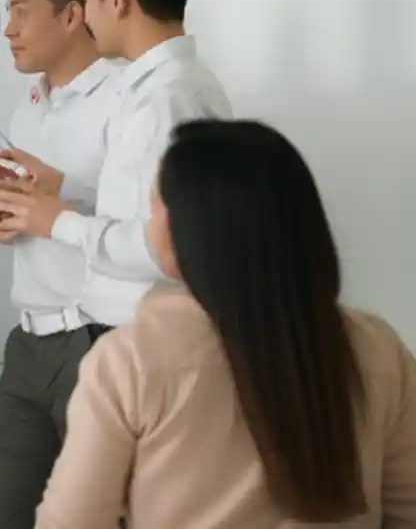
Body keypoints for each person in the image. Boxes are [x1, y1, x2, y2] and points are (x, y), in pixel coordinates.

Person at [36, 119, 416, 527]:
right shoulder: (377, 347)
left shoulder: (130, 362)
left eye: (155, 207)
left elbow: (71, 523)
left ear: (181, 230)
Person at [0, 0, 231, 330]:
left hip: (143, 335)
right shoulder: (160, 90)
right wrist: (59, 187)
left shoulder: (166, 101)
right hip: (130, 331)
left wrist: (60, 222)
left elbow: (170, 246)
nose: (85, 17)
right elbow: (142, 211)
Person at [0, 0, 122, 529]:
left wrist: (60, 201)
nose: (8, 30)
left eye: (20, 11)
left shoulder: (126, 100)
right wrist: (15, 220)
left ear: (72, 15)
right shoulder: (30, 105)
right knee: (2, 515)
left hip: (96, 340)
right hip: (28, 343)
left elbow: (151, 224)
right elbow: (46, 212)